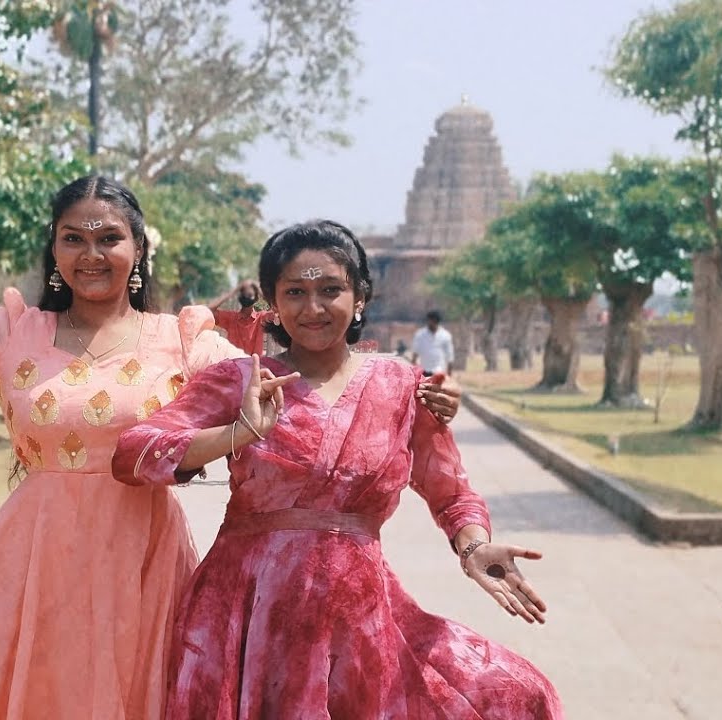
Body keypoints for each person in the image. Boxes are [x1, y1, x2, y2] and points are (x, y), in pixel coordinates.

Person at [0, 179, 464, 720]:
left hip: (144, 565)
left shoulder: (180, 341)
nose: (91, 254)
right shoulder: (12, 331)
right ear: (53, 249)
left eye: (109, 238)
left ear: (137, 249)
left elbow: (293, 384)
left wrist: (407, 395)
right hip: (30, 561)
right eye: (73, 238)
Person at [112, 220, 562, 719]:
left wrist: (474, 545)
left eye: (330, 290)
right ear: (272, 302)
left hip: (359, 621)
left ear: (360, 296)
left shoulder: (403, 387)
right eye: (295, 292)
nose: (313, 308)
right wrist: (239, 432)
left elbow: (452, 493)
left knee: (515, 694)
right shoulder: (242, 381)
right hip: (246, 612)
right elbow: (133, 454)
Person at [206, 279, 272, 357]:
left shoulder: (261, 317)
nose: (246, 297)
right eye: (243, 294)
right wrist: (233, 291)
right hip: (233, 362)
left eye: (249, 295)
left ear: (256, 298)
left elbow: (278, 310)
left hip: (254, 362)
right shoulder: (231, 318)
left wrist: (259, 289)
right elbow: (208, 310)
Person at [410, 308, 455, 376]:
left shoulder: (445, 335)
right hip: (424, 371)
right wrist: (413, 371)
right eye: (429, 320)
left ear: (436, 321)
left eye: (432, 320)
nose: (430, 322)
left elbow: (450, 355)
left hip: (439, 372)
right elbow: (415, 353)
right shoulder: (420, 334)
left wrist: (449, 372)